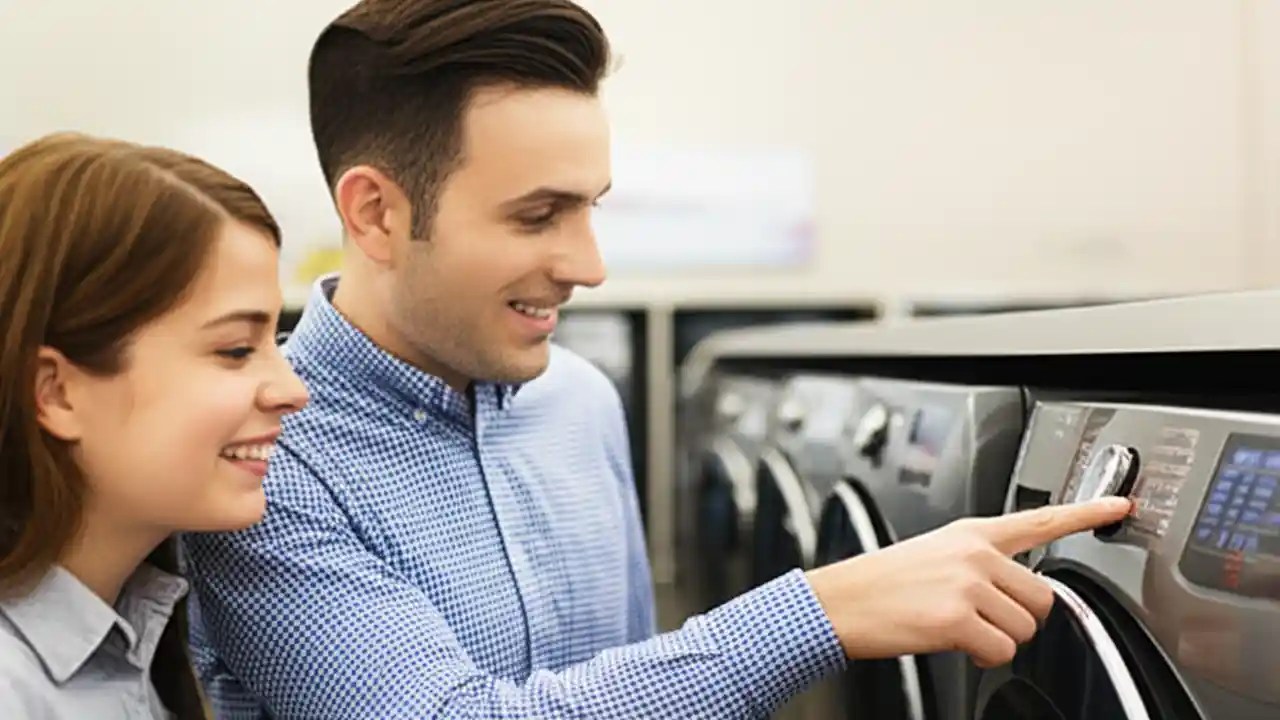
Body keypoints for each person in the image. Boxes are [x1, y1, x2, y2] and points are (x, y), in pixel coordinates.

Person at [182, 1, 1134, 718]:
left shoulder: (583, 402)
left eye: (592, 206)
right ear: (377, 213)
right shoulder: (266, 462)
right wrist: (823, 608)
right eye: (537, 215)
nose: (588, 266)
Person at [0, 133, 309, 719]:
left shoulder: (138, 635)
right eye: (237, 349)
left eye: (277, 340)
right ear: (56, 392)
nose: (294, 391)